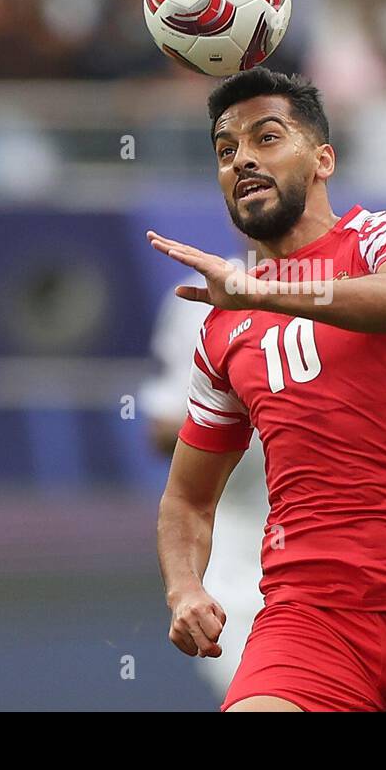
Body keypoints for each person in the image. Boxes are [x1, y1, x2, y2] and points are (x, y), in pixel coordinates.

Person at [148, 68, 386, 712]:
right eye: (226, 150)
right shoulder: (223, 330)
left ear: (323, 159)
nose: (243, 161)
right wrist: (184, 588)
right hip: (310, 614)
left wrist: (265, 289)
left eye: (267, 137)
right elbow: (187, 498)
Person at [140, 270, 268, 701]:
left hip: (360, 565)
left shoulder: (369, 281)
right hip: (236, 572)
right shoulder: (205, 298)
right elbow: (161, 430)